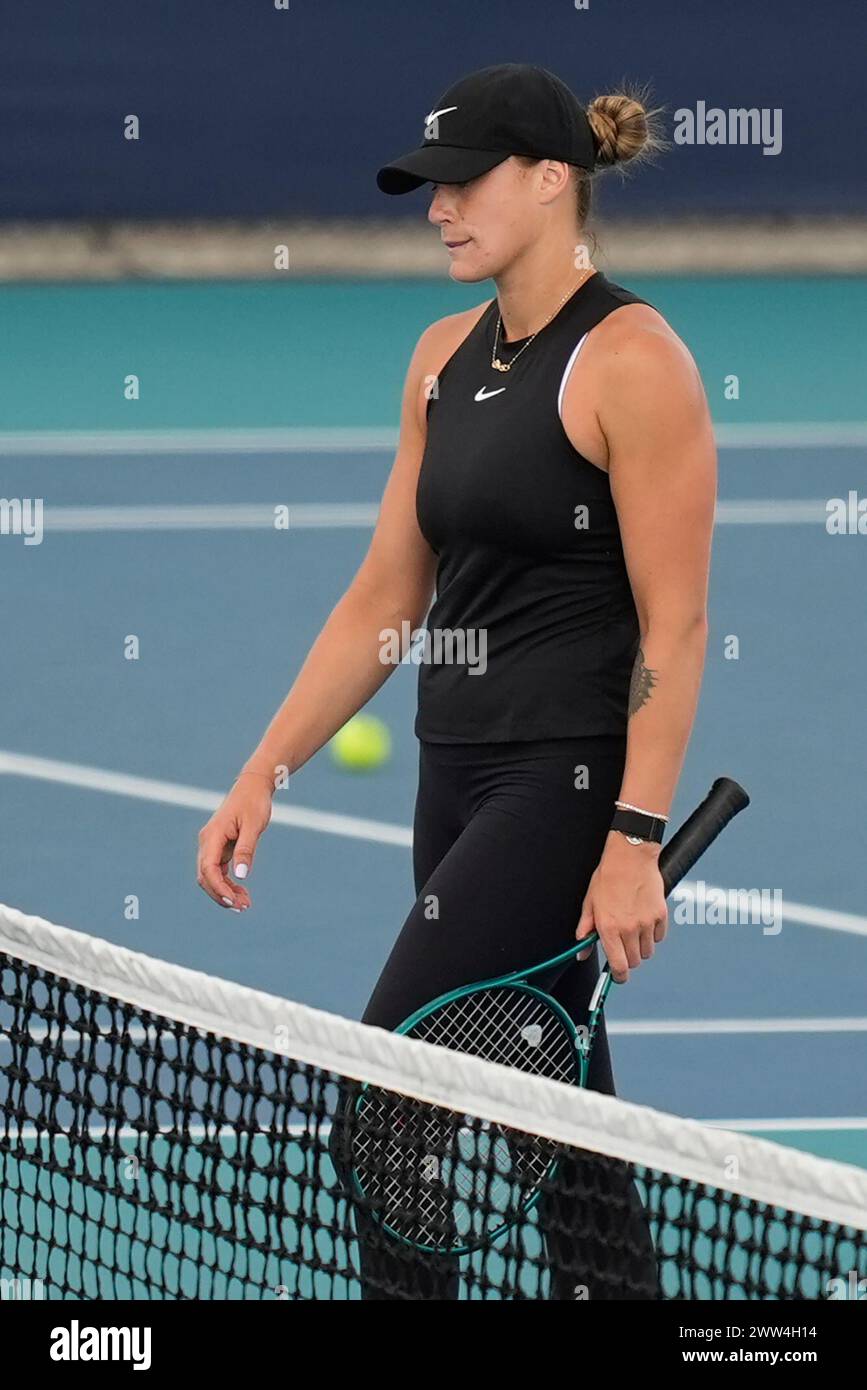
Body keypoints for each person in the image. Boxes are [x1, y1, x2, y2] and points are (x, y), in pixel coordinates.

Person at [196, 63, 716, 1299]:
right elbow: (386, 597)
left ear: (550, 183)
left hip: (563, 785)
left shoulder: (635, 363)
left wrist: (634, 834)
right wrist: (263, 771)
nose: (436, 208)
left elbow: (678, 625)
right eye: (427, 189)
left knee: (385, 1106)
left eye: (461, 183)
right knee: (560, 1113)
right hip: (455, 775)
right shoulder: (441, 355)